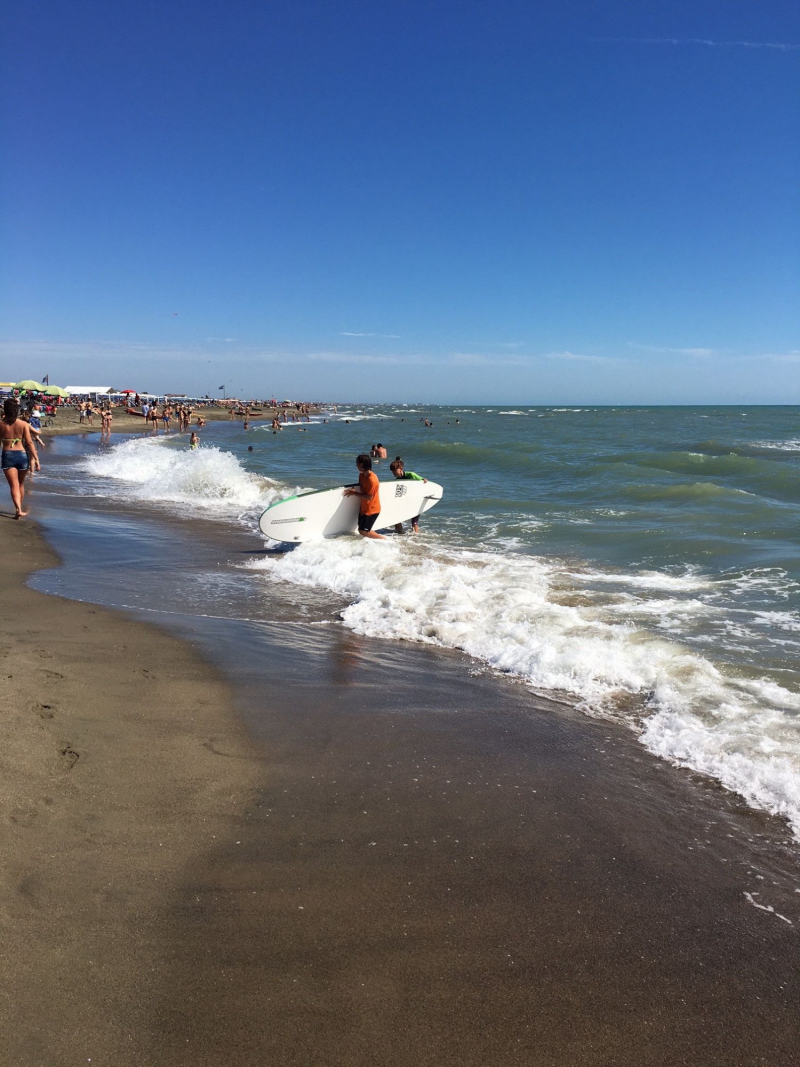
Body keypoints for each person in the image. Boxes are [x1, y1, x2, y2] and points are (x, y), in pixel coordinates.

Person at [1, 398, 39, 518]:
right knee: (21, 484)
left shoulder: (1, 424)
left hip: (8, 455)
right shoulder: (23, 424)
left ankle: (18, 509)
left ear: (5, 410)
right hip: (22, 455)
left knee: (14, 485)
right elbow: (29, 443)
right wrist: (36, 459)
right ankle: (19, 508)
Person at [344, 453, 384, 539]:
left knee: (363, 531)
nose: (356, 465)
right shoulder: (361, 475)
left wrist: (354, 493)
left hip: (372, 510)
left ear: (361, 465)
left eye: (357, 464)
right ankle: (376, 542)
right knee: (363, 530)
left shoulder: (372, 480)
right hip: (364, 508)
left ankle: (385, 540)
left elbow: (369, 497)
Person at [390, 458, 427, 534]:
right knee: (395, 518)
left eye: (394, 470)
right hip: (406, 502)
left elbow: (422, 481)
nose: (393, 473)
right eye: (392, 471)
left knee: (414, 522)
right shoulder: (396, 481)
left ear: (400, 468)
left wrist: (424, 480)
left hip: (416, 501)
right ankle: (400, 533)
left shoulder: (411, 475)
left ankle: (416, 537)